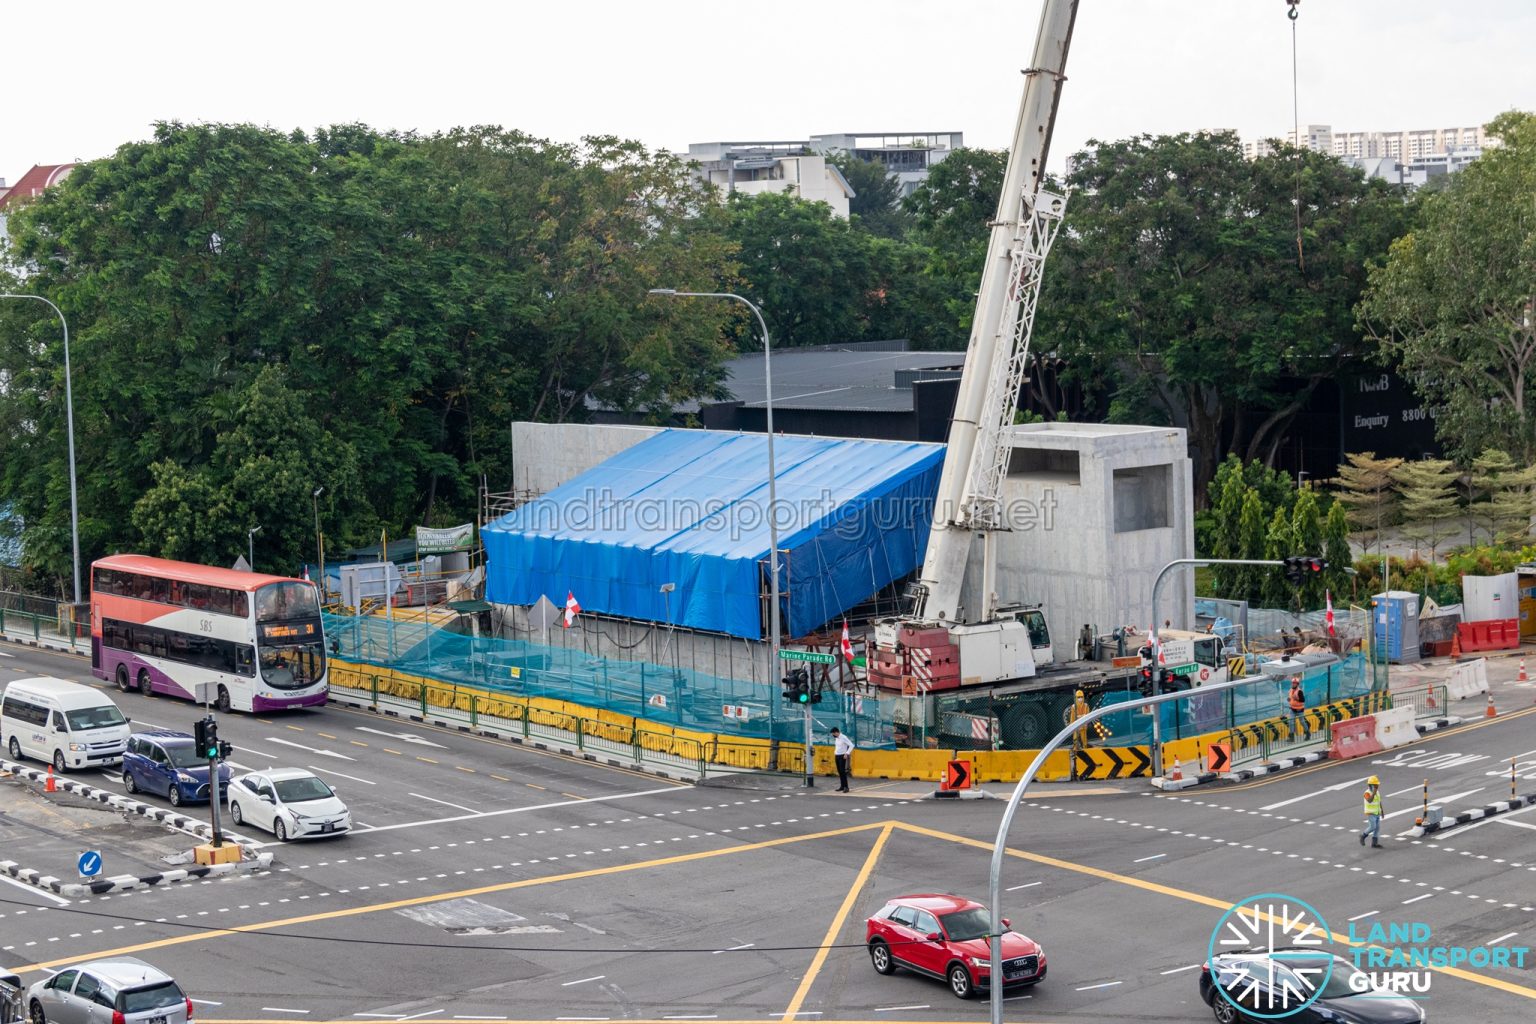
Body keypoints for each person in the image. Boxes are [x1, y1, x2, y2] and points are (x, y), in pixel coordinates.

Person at [1360, 775, 1384, 848]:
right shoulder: (1366, 793)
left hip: (1377, 813)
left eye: (1377, 785)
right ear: (1371, 785)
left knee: (1377, 828)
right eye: (1375, 785)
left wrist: (1382, 811)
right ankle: (1363, 836)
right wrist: (1374, 792)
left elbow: (1379, 801)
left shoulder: (1377, 792)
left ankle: (1374, 843)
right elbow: (1370, 800)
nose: (1377, 786)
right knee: (1372, 827)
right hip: (1370, 813)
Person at [831, 727, 854, 793]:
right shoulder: (836, 738)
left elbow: (851, 745)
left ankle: (846, 787)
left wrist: (847, 753)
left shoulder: (843, 737)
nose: (833, 735)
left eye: (833, 734)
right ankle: (842, 786)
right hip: (837, 755)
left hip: (842, 756)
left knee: (842, 771)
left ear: (836, 732)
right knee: (839, 771)